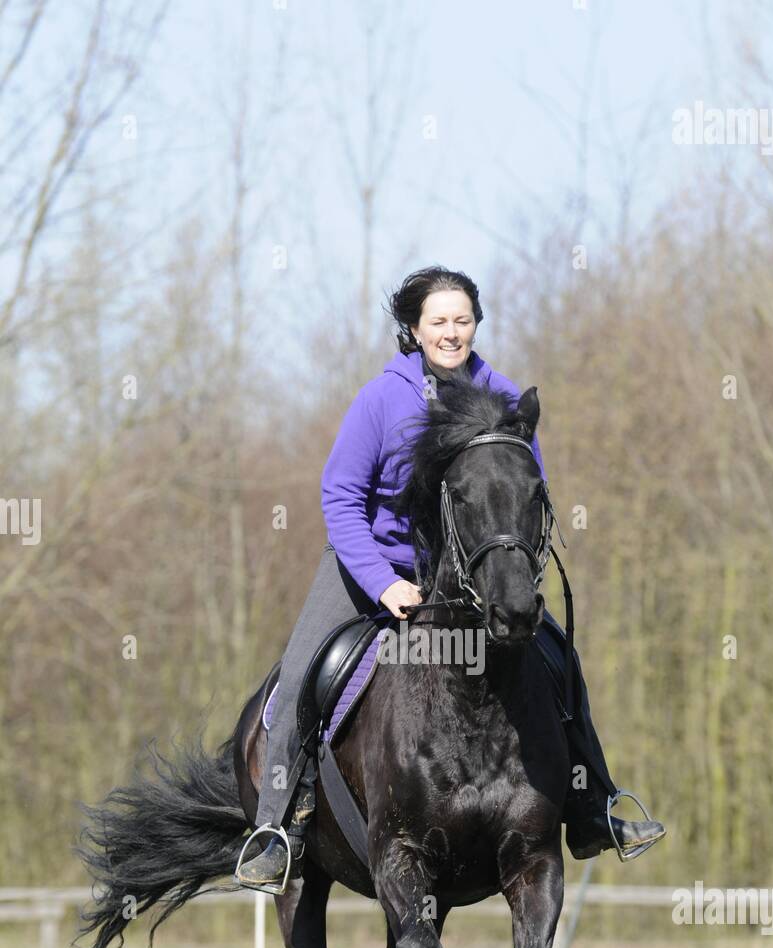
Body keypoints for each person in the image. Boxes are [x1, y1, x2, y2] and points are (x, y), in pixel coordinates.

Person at [235, 265, 664, 891]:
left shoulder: (504, 397)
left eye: (462, 319)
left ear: (476, 325)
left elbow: (524, 490)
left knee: (556, 657)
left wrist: (512, 565)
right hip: (369, 566)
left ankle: (593, 805)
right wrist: (383, 583)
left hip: (466, 577)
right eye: (439, 320)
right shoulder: (381, 399)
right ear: (414, 328)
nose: (451, 331)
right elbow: (340, 495)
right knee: (304, 670)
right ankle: (277, 828)